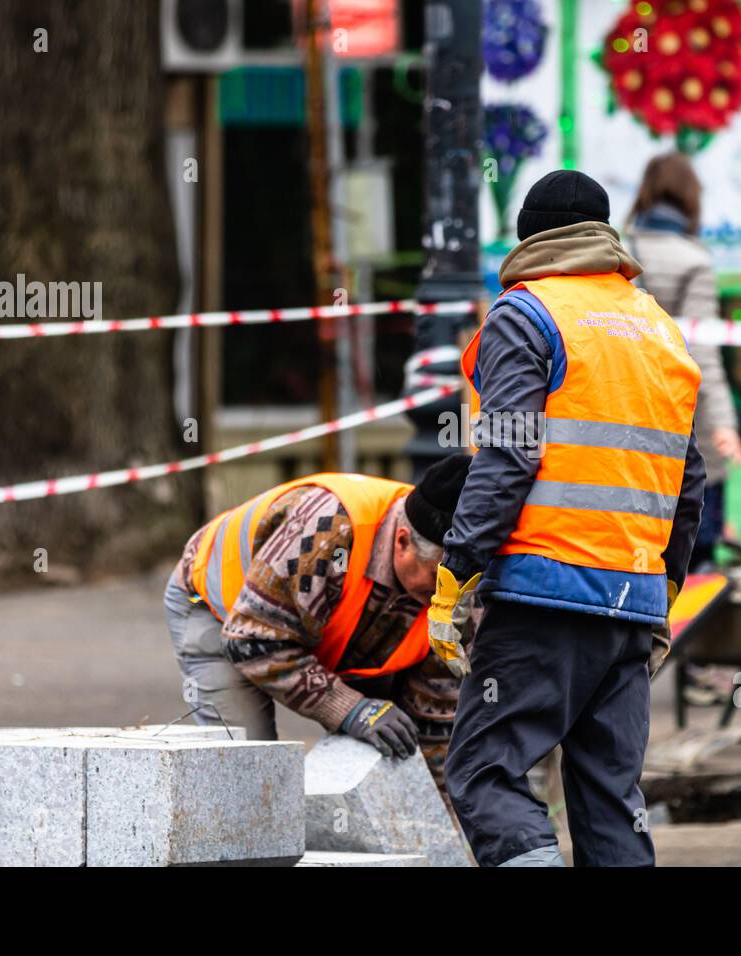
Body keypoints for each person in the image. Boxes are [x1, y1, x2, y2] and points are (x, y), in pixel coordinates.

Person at [427, 169, 707, 866]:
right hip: (631, 605)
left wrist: (457, 570)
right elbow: (689, 476)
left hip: (543, 595)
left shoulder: (527, 315)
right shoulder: (656, 328)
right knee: (609, 796)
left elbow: (511, 455)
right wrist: (663, 591)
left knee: (486, 768)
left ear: (530, 238)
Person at [164, 456, 470, 792]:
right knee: (249, 778)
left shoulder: (464, 587)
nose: (451, 595)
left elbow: (435, 724)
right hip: (225, 614)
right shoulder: (330, 532)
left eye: (465, 582)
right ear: (402, 543)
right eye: (439, 578)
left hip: (332, 623)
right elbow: (253, 643)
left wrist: (444, 829)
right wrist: (350, 709)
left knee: (388, 753)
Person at [627, 152, 741, 566]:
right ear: (690, 198)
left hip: (628, 422)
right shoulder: (694, 261)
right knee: (694, 556)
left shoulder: (621, 250)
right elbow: (704, 357)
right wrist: (726, 426)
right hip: (684, 425)